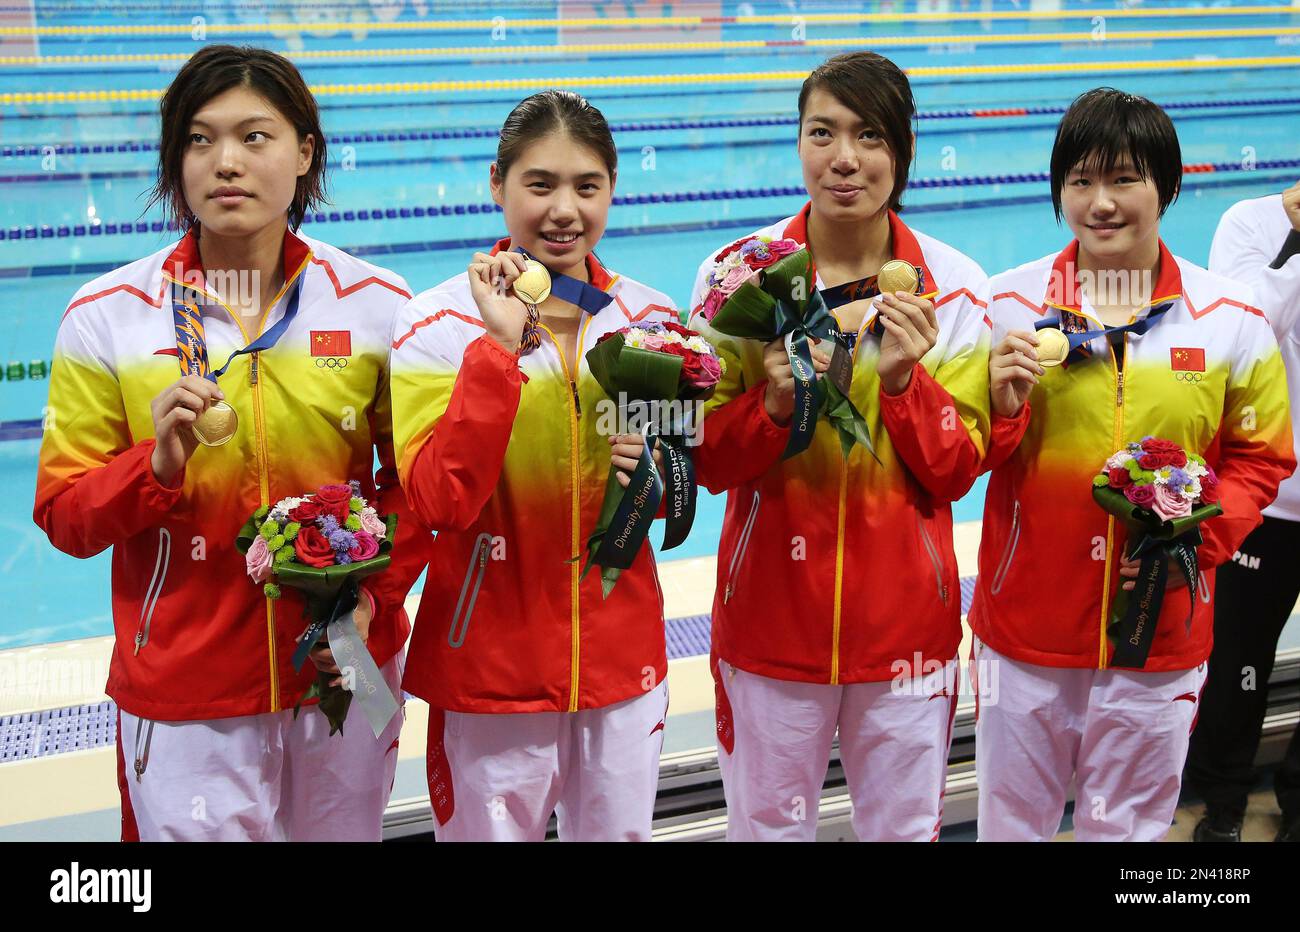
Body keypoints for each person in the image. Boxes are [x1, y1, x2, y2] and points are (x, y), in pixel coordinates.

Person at [33, 45, 430, 841]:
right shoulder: (109, 315)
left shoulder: (378, 305)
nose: (227, 162)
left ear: (305, 152)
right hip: (188, 681)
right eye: (200, 139)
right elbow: (65, 517)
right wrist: (155, 468)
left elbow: (419, 492)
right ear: (175, 159)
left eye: (255, 137)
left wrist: (372, 596)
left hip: (349, 659)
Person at [686, 51, 994, 841]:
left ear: (903, 152)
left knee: (901, 831)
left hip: (904, 634)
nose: (844, 158)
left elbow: (959, 469)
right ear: (799, 142)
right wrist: (775, 406)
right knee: (766, 830)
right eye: (823, 132)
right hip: (768, 624)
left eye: (870, 136)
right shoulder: (735, 280)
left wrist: (903, 388)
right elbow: (709, 461)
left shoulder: (955, 288)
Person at [973, 88, 1295, 841]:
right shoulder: (1005, 306)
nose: (1100, 202)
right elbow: (955, 457)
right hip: (1025, 631)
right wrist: (1003, 404)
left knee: (1129, 833)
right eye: (1080, 181)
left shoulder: (1230, 318)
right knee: (1011, 828)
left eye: (1124, 179)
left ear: (1168, 185)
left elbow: (1261, 459)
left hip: (1161, 630)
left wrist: (1197, 541)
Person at [389, 90, 678, 842]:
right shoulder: (433, 326)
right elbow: (437, 499)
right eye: (539, 185)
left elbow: (681, 491)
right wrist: (496, 352)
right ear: (497, 184)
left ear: (612, 187)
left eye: (587, 186)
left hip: (621, 665)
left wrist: (652, 472)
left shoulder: (652, 323)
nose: (564, 211)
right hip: (490, 673)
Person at [1185, 182, 1300, 843]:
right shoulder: (1250, 224)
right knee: (1238, 665)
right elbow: (1247, 333)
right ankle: (1222, 802)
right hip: (1267, 498)